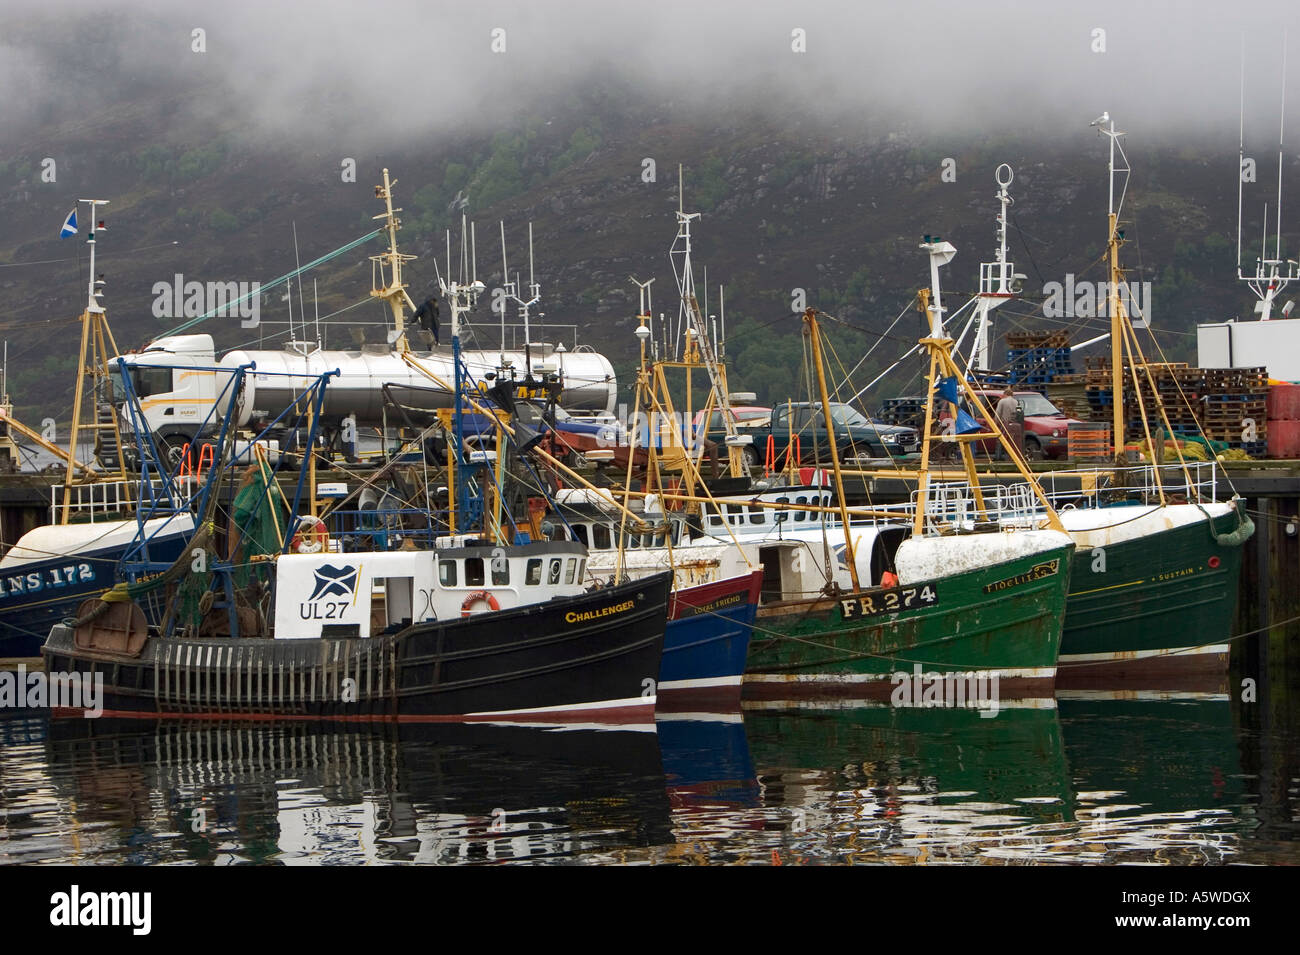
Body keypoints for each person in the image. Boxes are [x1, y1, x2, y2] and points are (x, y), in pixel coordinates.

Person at [994, 388, 1023, 459]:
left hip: (1005, 423)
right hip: (1014, 424)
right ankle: (1012, 457)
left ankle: (998, 457)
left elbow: (998, 413)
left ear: (1005, 394)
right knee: (1012, 441)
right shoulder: (1016, 402)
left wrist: (996, 422)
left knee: (1001, 440)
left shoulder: (1002, 401)